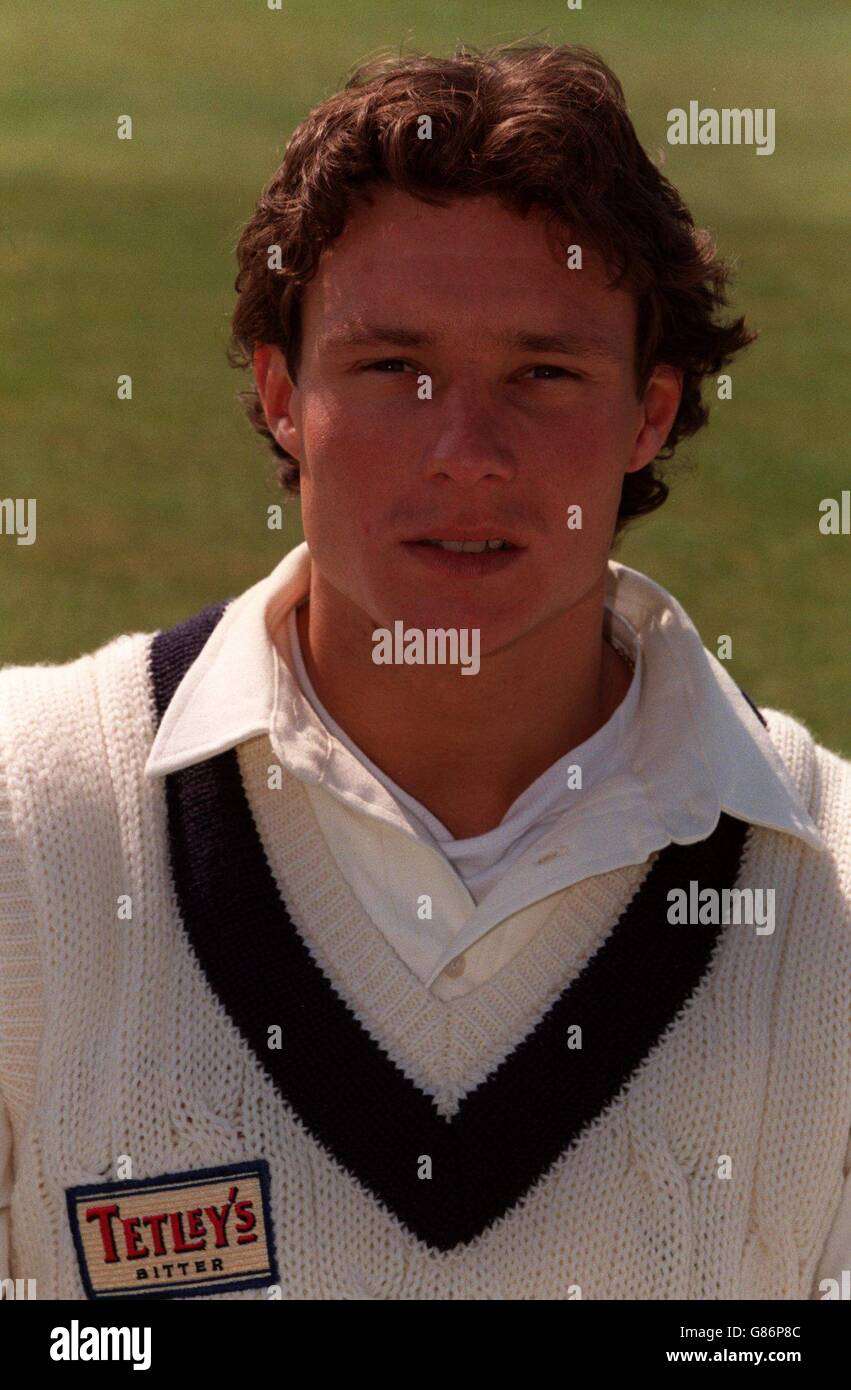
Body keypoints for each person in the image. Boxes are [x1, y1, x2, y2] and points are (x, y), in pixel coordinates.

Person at [0, 43, 848, 1302]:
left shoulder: (824, 893)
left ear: (648, 413)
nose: (465, 451)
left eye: (541, 373)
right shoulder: (32, 816)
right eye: (393, 369)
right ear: (284, 398)